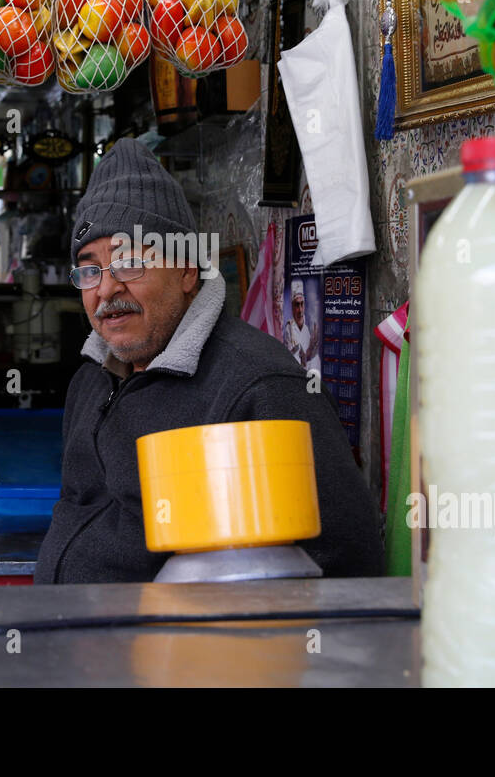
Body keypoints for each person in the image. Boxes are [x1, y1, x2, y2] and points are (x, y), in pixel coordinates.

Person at [34, 138, 383, 583]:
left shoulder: (259, 388)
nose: (106, 289)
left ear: (186, 271)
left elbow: (346, 570)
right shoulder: (90, 380)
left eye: (130, 262)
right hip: (68, 636)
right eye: (90, 269)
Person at [283, 278, 321, 375]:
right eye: (296, 305)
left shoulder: (309, 328)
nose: (300, 310)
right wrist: (308, 353)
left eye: (302, 304)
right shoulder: (289, 329)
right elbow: (295, 362)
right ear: (292, 307)